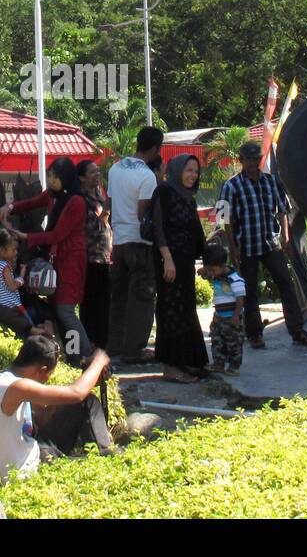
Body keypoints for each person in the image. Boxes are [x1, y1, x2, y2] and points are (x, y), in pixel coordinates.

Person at [0, 335, 114, 483]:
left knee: (86, 401)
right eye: (48, 375)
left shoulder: (4, 379)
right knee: (81, 399)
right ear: (41, 370)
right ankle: (108, 461)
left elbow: (43, 417)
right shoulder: (16, 387)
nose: (47, 380)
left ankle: (105, 454)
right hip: (26, 471)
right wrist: (99, 361)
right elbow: (76, 393)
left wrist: (88, 380)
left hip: (35, 448)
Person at [218, 141, 307, 347]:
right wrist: (232, 248)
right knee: (250, 290)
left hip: (270, 243)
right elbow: (224, 219)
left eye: (256, 159)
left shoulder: (271, 182)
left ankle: (297, 329)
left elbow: (282, 211)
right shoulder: (231, 185)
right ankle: (254, 334)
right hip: (246, 245)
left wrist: (286, 238)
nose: (253, 163)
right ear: (241, 160)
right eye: (249, 159)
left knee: (286, 284)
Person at [0, 157, 93, 364]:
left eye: (55, 177)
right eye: (49, 176)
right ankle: (72, 356)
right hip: (55, 261)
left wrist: (26, 237)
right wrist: (10, 207)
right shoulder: (53, 196)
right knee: (56, 309)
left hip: (70, 262)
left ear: (65, 177)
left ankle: (84, 356)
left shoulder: (76, 201)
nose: (51, 181)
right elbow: (31, 203)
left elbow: (58, 235)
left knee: (65, 311)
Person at [105, 127, 163, 362]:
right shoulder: (147, 176)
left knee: (118, 297)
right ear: (155, 149)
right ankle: (134, 351)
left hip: (118, 242)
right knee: (141, 298)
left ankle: (116, 347)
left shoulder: (115, 168)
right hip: (140, 243)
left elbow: (108, 202)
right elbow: (143, 213)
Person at [151, 154, 211, 383]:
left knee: (186, 310)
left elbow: (196, 231)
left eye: (196, 171)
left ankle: (189, 362)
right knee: (171, 311)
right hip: (169, 261)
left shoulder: (188, 197)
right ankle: (171, 367)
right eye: (188, 170)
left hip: (185, 262)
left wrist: (207, 260)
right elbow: (158, 228)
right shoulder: (164, 191)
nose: (192, 175)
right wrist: (167, 258)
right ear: (177, 170)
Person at [0, 231, 52, 338]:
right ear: (1, 249)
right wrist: (21, 277)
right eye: (13, 250)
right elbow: (12, 287)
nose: (16, 252)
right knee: (30, 326)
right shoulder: (4, 267)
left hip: (2, 303)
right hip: (13, 304)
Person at [77, 159, 112, 350]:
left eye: (98, 171)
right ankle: (89, 341)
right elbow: (89, 227)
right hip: (90, 257)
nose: (97, 175)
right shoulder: (80, 199)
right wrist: (104, 216)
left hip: (104, 257)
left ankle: (102, 342)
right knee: (91, 303)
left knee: (104, 303)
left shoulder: (99, 194)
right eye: (92, 172)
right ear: (82, 177)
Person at [202, 242, 245, 375]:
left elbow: (240, 299)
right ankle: (218, 364)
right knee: (217, 340)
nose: (211, 273)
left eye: (212, 270)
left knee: (234, 343)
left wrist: (236, 315)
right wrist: (204, 272)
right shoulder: (217, 276)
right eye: (209, 270)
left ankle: (234, 366)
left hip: (232, 317)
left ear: (222, 266)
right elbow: (207, 274)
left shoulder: (234, 279)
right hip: (219, 316)